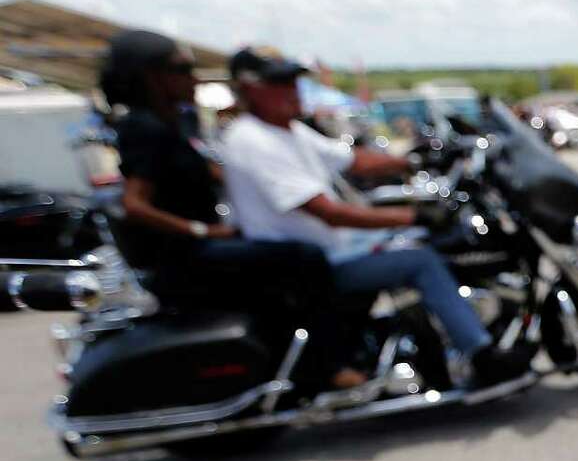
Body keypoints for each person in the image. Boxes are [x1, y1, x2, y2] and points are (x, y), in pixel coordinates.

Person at [217, 47, 526, 386]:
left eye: (293, 80)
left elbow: (353, 160)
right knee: (420, 260)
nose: (292, 90)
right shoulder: (254, 140)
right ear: (249, 89)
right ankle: (481, 354)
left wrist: (416, 160)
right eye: (279, 82)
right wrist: (414, 216)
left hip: (332, 250)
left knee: (419, 244)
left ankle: (424, 341)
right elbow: (327, 212)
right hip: (316, 263)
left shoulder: (287, 131)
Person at [99, 30, 367, 389]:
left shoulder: (167, 125)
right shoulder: (145, 128)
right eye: (181, 69)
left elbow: (207, 171)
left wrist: (258, 169)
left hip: (191, 251)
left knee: (284, 263)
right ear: (150, 76)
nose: (193, 78)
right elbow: (134, 203)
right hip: (185, 257)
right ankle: (326, 366)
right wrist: (203, 231)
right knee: (306, 258)